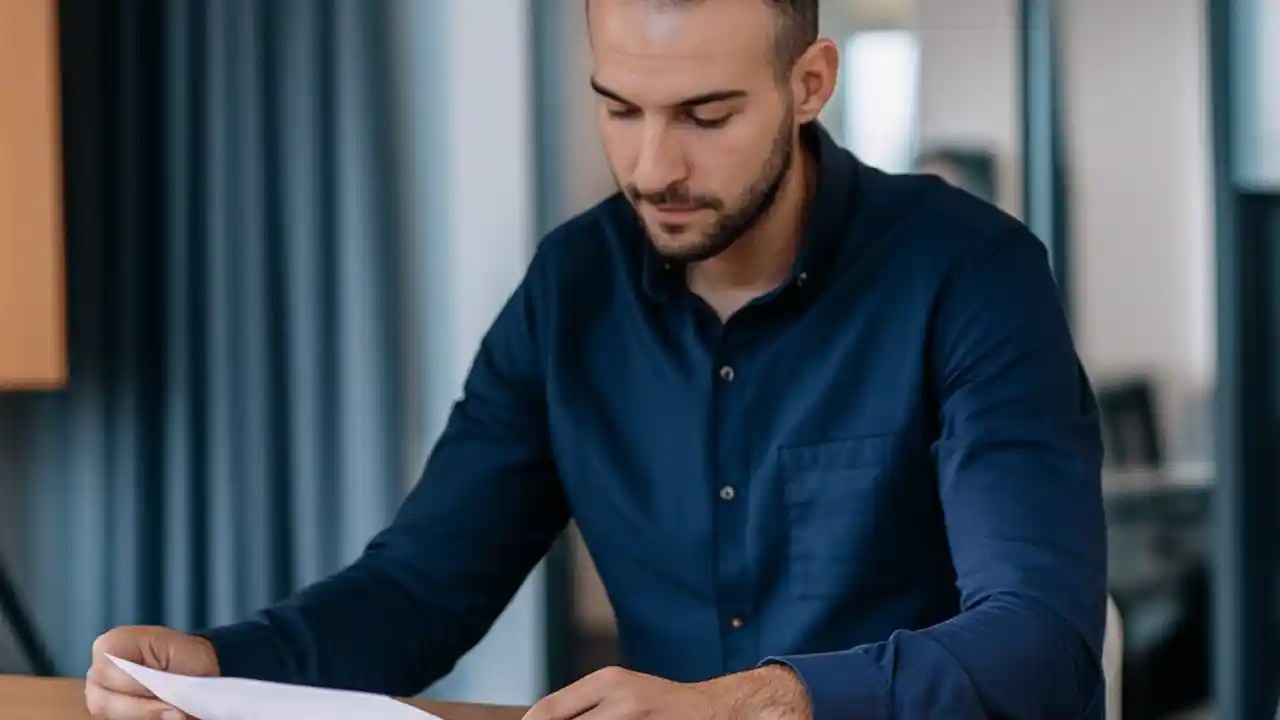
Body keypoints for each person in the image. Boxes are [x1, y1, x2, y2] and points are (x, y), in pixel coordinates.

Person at [85, 0, 1106, 718]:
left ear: (809, 85)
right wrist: (217, 666)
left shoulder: (969, 273)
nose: (652, 168)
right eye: (619, 108)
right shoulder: (570, 286)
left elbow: (1040, 644)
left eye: (706, 115)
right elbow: (423, 589)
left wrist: (754, 703)